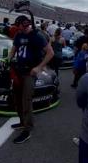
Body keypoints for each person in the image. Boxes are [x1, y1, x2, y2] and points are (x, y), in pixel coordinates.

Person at [8, 15, 54, 145]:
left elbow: (50, 53)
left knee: (26, 100)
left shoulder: (36, 36)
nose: (17, 28)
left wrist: (39, 67)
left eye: (19, 26)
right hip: (19, 70)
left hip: (29, 72)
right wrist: (9, 59)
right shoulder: (19, 35)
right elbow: (14, 49)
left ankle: (27, 129)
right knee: (17, 98)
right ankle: (22, 122)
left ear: (25, 24)